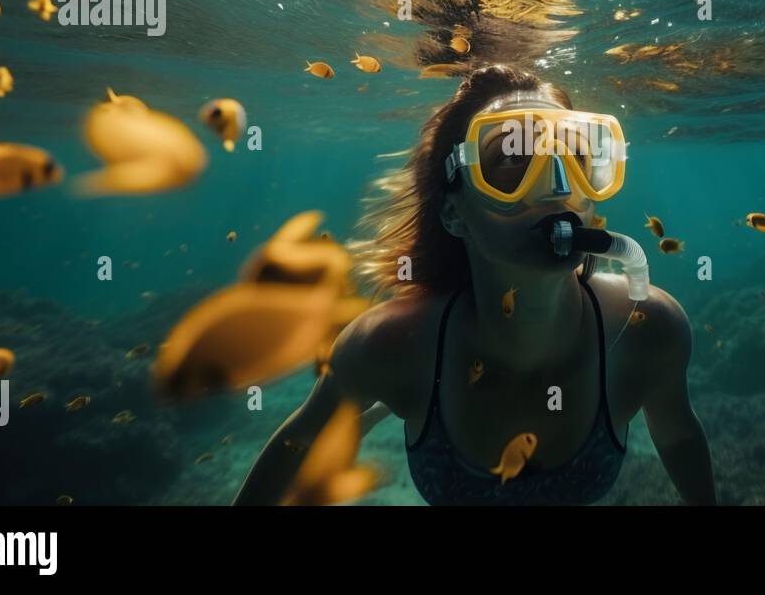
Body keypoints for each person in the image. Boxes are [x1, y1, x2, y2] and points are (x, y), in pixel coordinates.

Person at [235, 64, 714, 505]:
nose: (556, 186)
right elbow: (297, 443)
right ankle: (385, 406)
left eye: (576, 151)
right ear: (453, 211)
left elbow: (677, 436)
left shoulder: (650, 327)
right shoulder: (386, 346)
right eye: (510, 157)